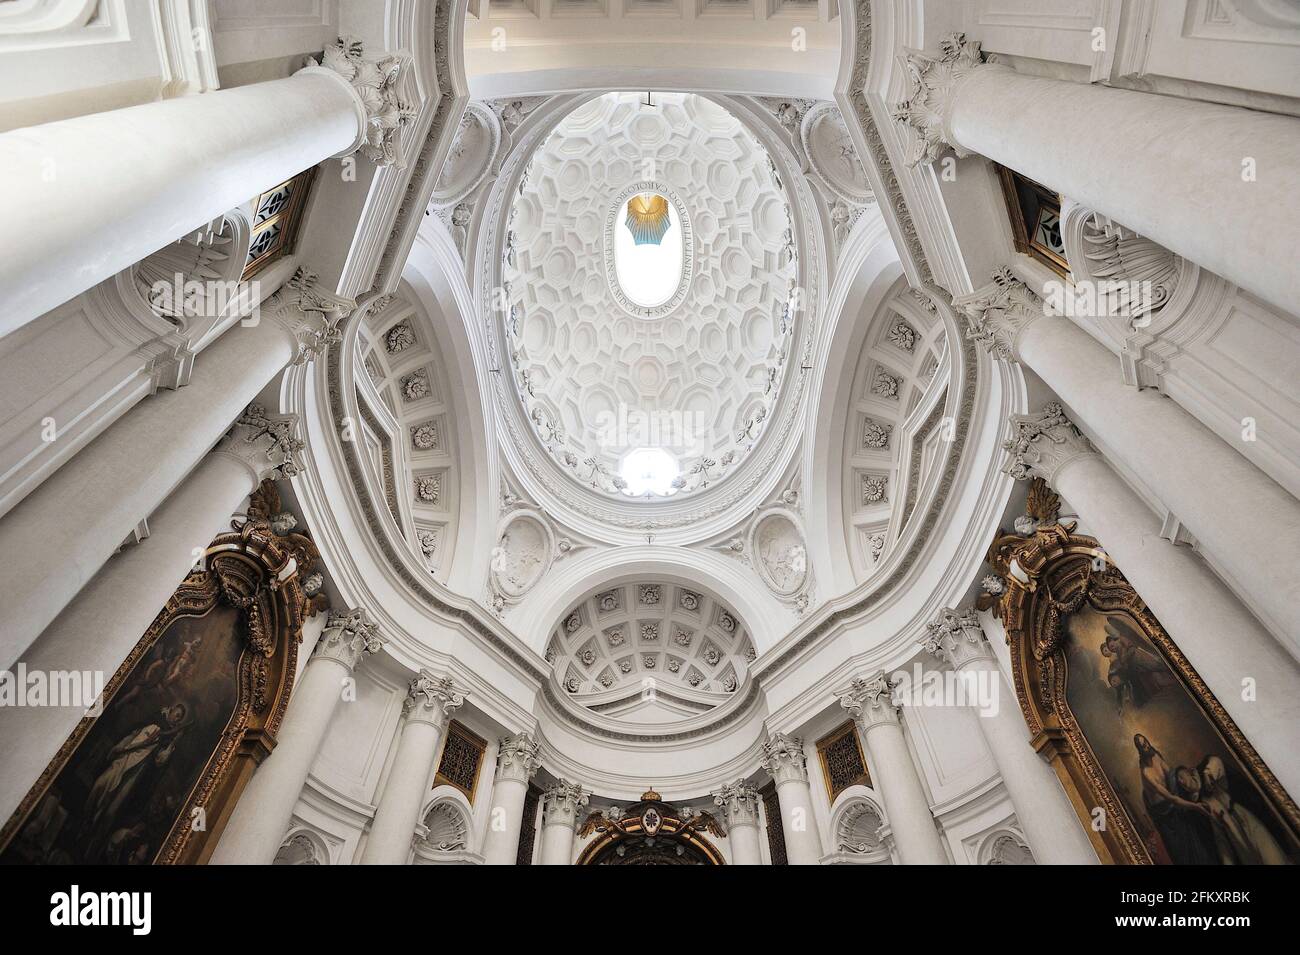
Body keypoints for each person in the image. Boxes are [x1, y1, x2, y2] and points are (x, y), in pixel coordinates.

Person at [1134, 734, 1218, 864]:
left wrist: (1186, 776)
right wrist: (1195, 806)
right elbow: (1172, 798)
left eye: (1146, 742)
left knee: (1195, 834)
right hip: (1164, 815)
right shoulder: (1146, 772)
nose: (1147, 746)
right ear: (1140, 750)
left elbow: (1172, 775)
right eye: (1143, 745)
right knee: (1182, 851)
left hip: (1173, 802)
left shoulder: (1156, 756)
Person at [1198, 755, 1292, 865]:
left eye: (1184, 777)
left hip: (1245, 818)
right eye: (1181, 783)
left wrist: (1207, 774)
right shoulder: (1204, 802)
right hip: (1237, 837)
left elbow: (1215, 763)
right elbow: (1220, 840)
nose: (1185, 783)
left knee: (1271, 854)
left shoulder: (1211, 770)